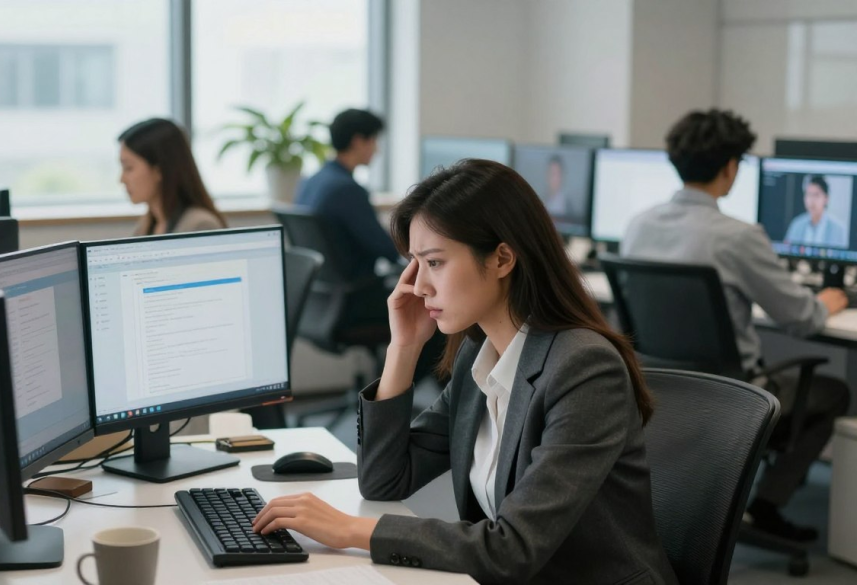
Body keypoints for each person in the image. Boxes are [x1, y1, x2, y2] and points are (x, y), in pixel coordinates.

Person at [253, 159, 678, 583]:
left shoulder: (584, 369)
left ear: (502, 259)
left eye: (434, 262)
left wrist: (350, 529)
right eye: (416, 264)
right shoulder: (480, 358)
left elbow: (511, 548)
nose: (418, 286)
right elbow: (385, 479)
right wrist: (404, 348)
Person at [622, 109, 851, 542]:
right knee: (836, 392)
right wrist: (826, 301)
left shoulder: (637, 226)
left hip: (656, 391)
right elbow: (800, 318)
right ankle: (766, 505)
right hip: (729, 397)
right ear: (731, 168)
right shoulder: (737, 236)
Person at [295, 108, 397, 280]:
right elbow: (386, 249)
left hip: (320, 292)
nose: (377, 150)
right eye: (373, 141)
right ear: (358, 141)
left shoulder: (310, 181)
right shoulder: (347, 190)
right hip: (359, 293)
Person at [118, 118, 226, 236]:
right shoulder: (145, 227)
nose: (122, 179)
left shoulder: (200, 225)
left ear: (159, 171)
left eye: (128, 168)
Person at [783, 174, 848, 248]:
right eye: (808, 194)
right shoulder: (796, 225)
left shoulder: (838, 230)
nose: (811, 200)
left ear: (826, 198)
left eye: (816, 195)